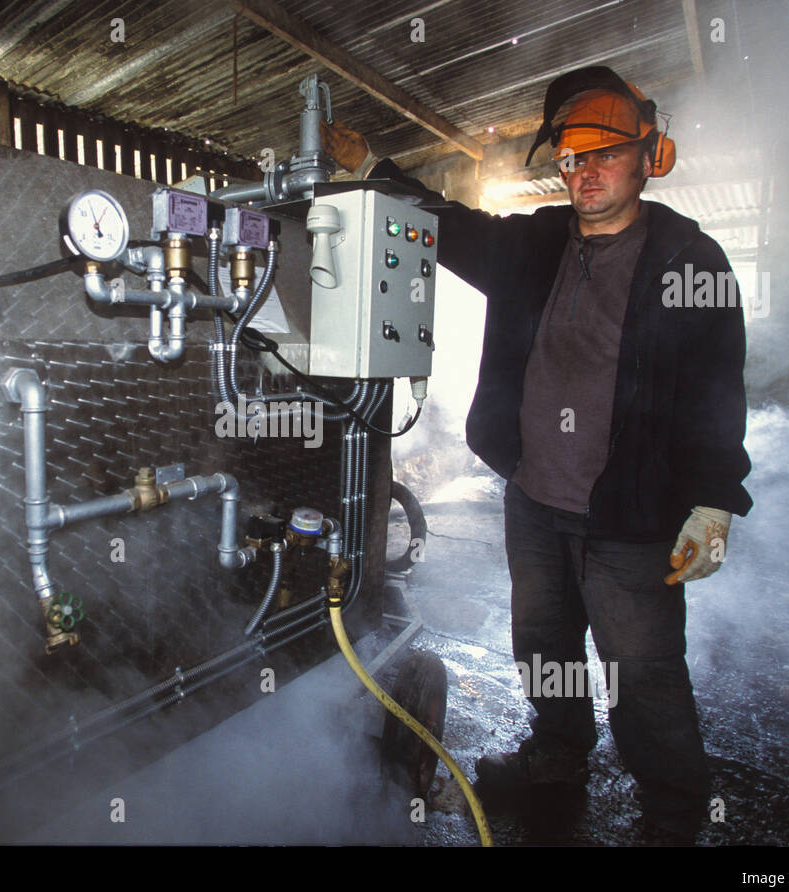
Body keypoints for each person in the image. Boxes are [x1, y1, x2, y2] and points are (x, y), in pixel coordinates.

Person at [321, 65, 753, 843]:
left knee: (644, 675)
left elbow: (718, 391)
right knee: (543, 646)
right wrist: (366, 171)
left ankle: (674, 815)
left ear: (649, 157)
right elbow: (448, 223)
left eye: (603, 154)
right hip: (534, 500)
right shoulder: (537, 245)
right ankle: (558, 754)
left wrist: (716, 501)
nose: (584, 171)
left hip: (632, 515)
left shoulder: (692, 261)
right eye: (570, 158)